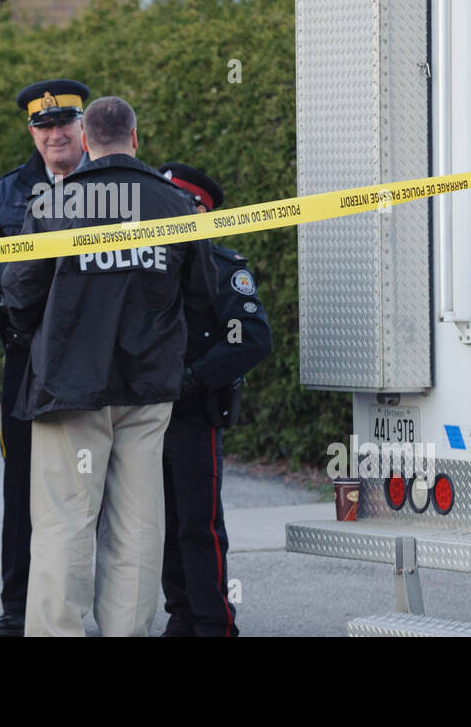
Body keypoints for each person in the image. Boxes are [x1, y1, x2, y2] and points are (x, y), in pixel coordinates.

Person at [0, 97, 216, 637]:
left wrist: (43, 339)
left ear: (87, 141)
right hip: (147, 387)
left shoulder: (57, 202)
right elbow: (203, 294)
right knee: (139, 526)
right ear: (136, 138)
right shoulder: (174, 204)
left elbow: (19, 291)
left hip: (70, 385)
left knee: (64, 522)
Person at [0, 78, 90, 637]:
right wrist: (16, 283)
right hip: (27, 353)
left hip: (93, 356)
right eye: (44, 125)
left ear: (84, 127)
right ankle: (19, 604)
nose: (55, 134)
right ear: (31, 131)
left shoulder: (112, 182)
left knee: (93, 483)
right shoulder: (9, 191)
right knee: (22, 483)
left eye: (65, 123)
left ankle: (91, 605)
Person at [156, 162, 273, 638]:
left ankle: (213, 622)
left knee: (196, 526)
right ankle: (181, 615)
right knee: (160, 525)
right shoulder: (151, 263)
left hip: (191, 414)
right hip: (145, 413)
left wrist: (192, 380)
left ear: (200, 211)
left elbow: (252, 339)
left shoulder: (224, 269)